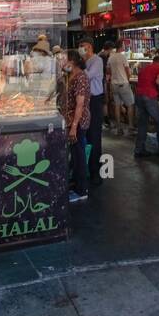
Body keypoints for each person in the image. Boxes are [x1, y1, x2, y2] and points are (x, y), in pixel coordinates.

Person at [59, 49, 91, 203]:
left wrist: (73, 127)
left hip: (78, 121)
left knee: (79, 156)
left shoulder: (81, 78)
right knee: (75, 154)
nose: (62, 63)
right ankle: (76, 184)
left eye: (64, 60)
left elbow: (80, 104)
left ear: (72, 61)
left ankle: (82, 190)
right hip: (69, 120)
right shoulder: (69, 76)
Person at [134, 51, 159, 158]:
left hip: (138, 96)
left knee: (142, 123)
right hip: (149, 96)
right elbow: (158, 82)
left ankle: (139, 149)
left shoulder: (145, 68)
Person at [81, 39, 106, 188]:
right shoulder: (86, 60)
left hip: (95, 100)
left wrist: (79, 65)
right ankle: (87, 167)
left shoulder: (97, 61)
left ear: (89, 47)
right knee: (86, 134)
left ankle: (96, 172)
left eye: (82, 47)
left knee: (94, 135)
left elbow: (87, 76)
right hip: (85, 100)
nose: (81, 49)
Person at [107, 40, 134, 136]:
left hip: (114, 84)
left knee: (117, 106)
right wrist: (128, 79)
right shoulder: (123, 57)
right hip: (123, 84)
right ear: (121, 46)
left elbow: (108, 72)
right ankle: (130, 127)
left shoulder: (111, 57)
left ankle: (119, 128)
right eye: (123, 45)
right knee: (130, 105)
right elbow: (127, 71)